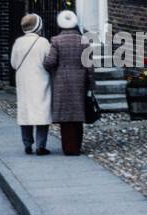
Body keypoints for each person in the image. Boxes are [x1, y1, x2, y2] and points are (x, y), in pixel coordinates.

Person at [43, 8, 93, 155]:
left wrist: (47, 67)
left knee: (66, 117)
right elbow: (89, 64)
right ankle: (77, 146)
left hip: (62, 81)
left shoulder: (56, 41)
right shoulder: (84, 41)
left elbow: (51, 62)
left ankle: (68, 147)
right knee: (78, 115)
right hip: (79, 80)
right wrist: (91, 83)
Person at [10, 14, 52, 155]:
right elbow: (49, 62)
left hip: (24, 81)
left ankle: (27, 144)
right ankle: (41, 146)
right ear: (39, 26)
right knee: (42, 113)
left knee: (26, 112)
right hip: (40, 80)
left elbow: (14, 63)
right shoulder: (44, 42)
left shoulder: (18, 42)